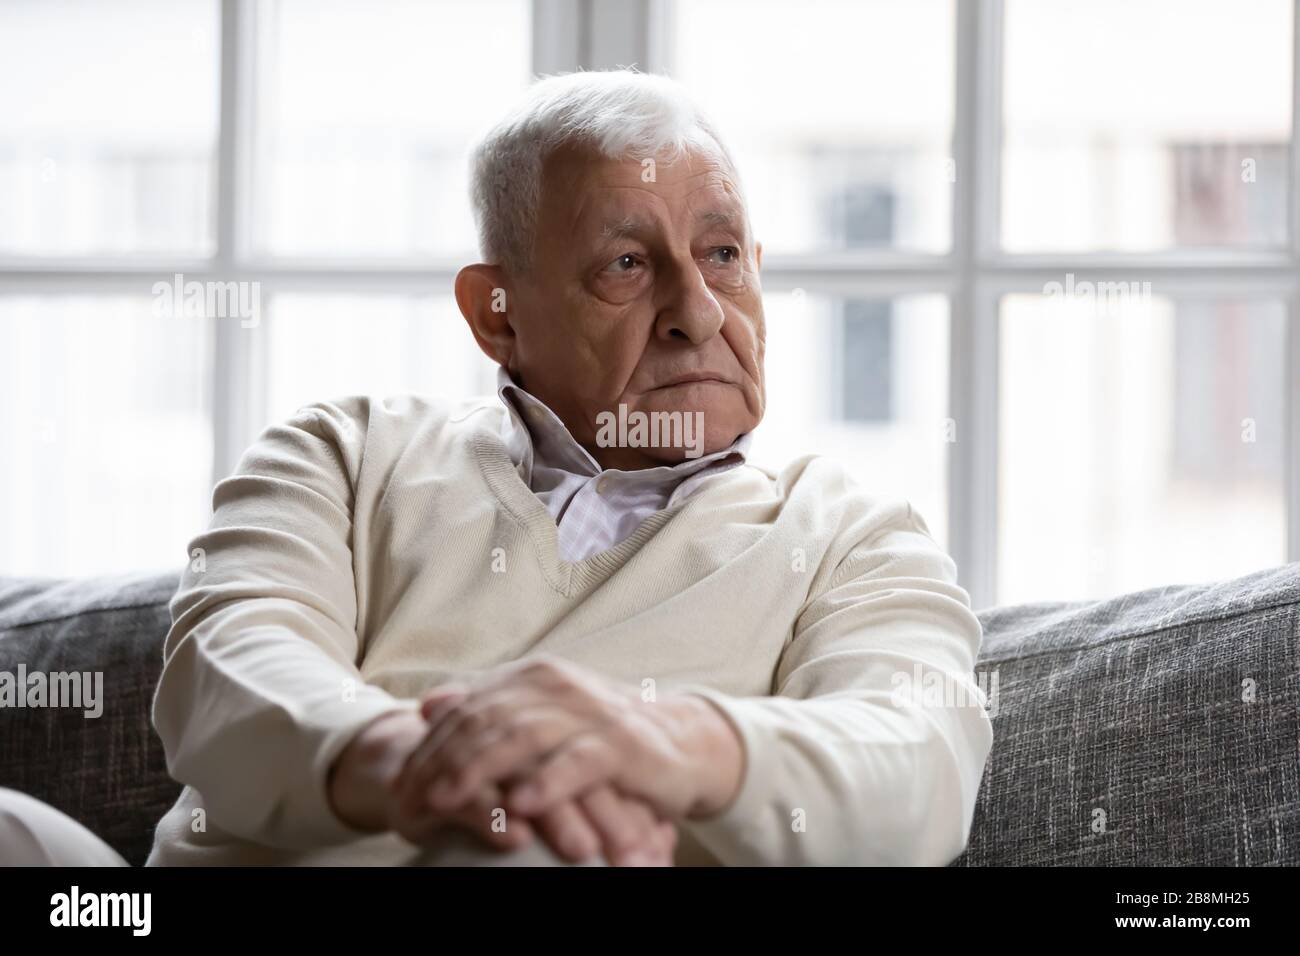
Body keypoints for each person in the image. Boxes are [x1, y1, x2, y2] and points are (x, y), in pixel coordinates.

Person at [1, 70, 992, 867]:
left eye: (722, 252)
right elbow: (229, 664)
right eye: (628, 264)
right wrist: (415, 762)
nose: (700, 309)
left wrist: (671, 744)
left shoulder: (850, 531)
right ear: (496, 311)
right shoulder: (341, 451)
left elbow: (919, 762)